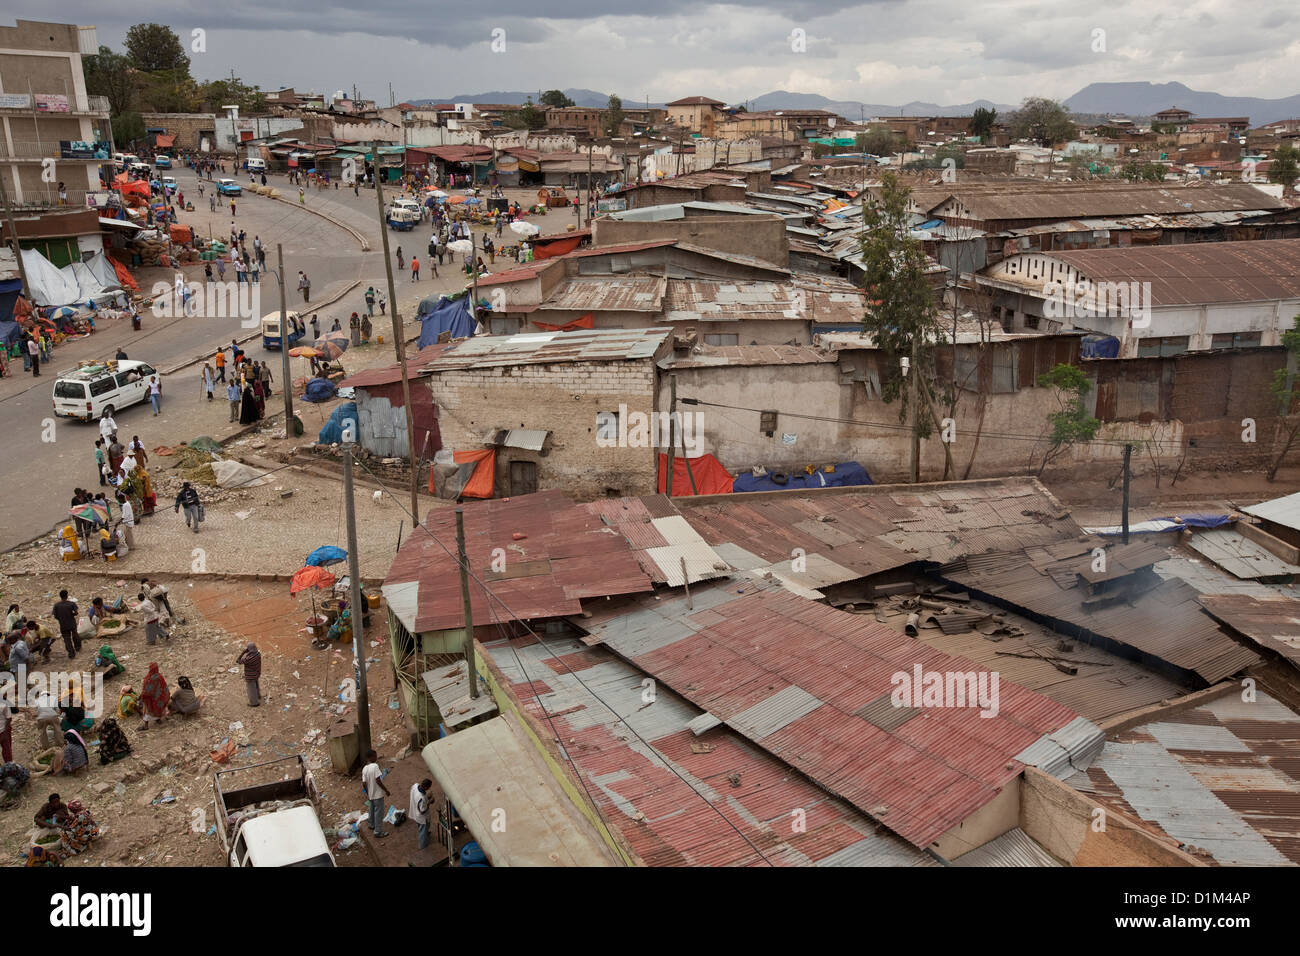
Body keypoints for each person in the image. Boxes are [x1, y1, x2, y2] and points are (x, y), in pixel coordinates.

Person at [362, 750, 390, 838]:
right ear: (371, 757)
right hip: (378, 795)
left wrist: (368, 793)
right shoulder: (375, 766)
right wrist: (386, 790)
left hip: (371, 795)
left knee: (372, 809)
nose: (376, 758)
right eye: (375, 756)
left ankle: (371, 824)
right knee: (379, 813)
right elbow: (378, 780)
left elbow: (364, 783)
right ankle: (377, 831)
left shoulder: (365, 768)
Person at [138, 663, 170, 729]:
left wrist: (142, 696)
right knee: (158, 709)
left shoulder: (148, 679)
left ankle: (146, 725)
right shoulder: (160, 677)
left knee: (148, 711)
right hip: (159, 698)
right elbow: (164, 687)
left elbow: (146, 690)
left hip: (149, 700)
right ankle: (158, 719)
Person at [51, 591, 79, 660]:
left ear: (60, 596)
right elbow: (76, 613)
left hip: (63, 625)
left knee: (67, 639)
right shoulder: (71, 604)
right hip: (71, 623)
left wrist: (61, 619)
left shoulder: (56, 605)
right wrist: (71, 615)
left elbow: (55, 616)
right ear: (67, 596)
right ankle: (77, 647)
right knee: (75, 635)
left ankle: (71, 653)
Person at [409, 778, 432, 850]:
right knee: (423, 830)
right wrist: (429, 802)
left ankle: (426, 833)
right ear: (425, 787)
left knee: (423, 826)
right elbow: (423, 811)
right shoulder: (422, 798)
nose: (428, 789)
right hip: (422, 817)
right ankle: (423, 845)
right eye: (428, 787)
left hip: (415, 811)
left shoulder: (415, 785)